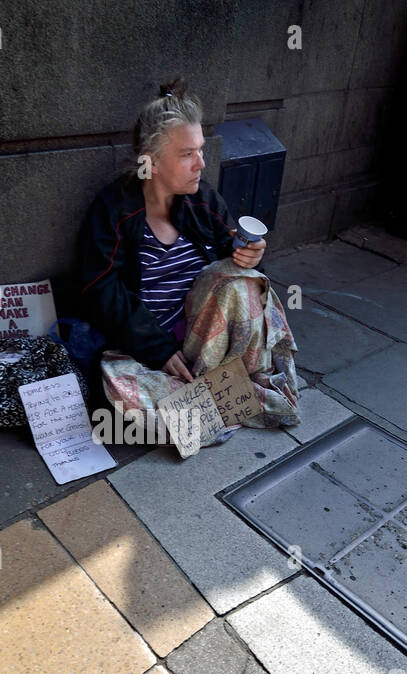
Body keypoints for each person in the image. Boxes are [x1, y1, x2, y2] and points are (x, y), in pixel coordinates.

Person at [75, 77, 299, 443]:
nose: (201, 163)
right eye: (186, 154)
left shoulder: (203, 201)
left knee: (246, 283)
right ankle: (228, 399)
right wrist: (159, 350)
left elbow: (231, 274)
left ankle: (211, 399)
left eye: (200, 150)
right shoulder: (113, 208)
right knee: (121, 393)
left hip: (209, 341)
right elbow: (101, 290)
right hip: (149, 346)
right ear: (151, 161)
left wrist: (249, 256)